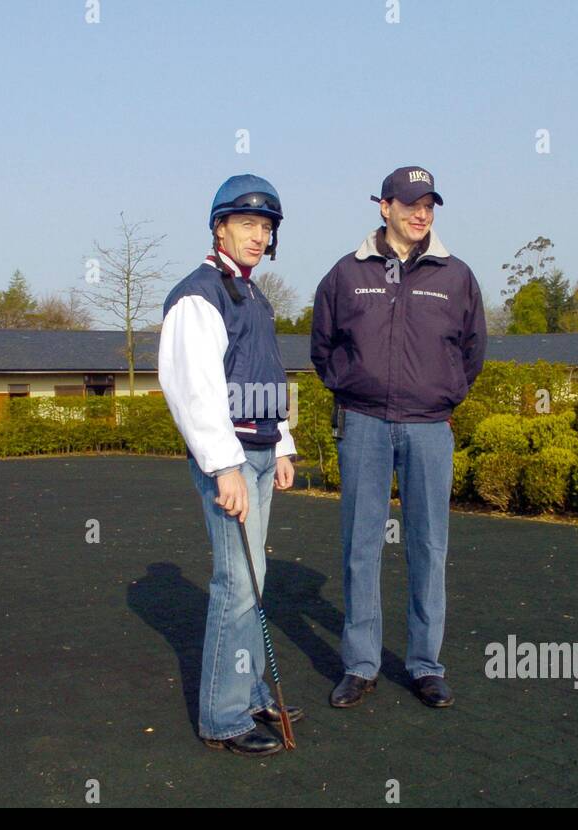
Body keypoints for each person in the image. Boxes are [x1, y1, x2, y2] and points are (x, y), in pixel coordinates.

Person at [311, 166, 487, 710]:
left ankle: (425, 666)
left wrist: (446, 393)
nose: (421, 213)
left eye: (429, 205)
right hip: (363, 424)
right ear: (383, 207)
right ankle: (361, 666)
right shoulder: (345, 274)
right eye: (411, 203)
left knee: (428, 547)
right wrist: (351, 389)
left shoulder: (457, 277)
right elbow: (323, 348)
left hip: (430, 428)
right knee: (361, 547)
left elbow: (473, 351)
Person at [158, 174, 303, 756]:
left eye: (265, 227)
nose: (257, 235)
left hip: (262, 451)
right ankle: (222, 716)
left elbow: (265, 373)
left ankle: (250, 691)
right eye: (246, 223)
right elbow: (193, 389)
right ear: (220, 226)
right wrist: (225, 467)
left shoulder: (254, 294)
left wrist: (284, 441)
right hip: (232, 459)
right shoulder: (199, 295)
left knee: (254, 580)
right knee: (235, 584)